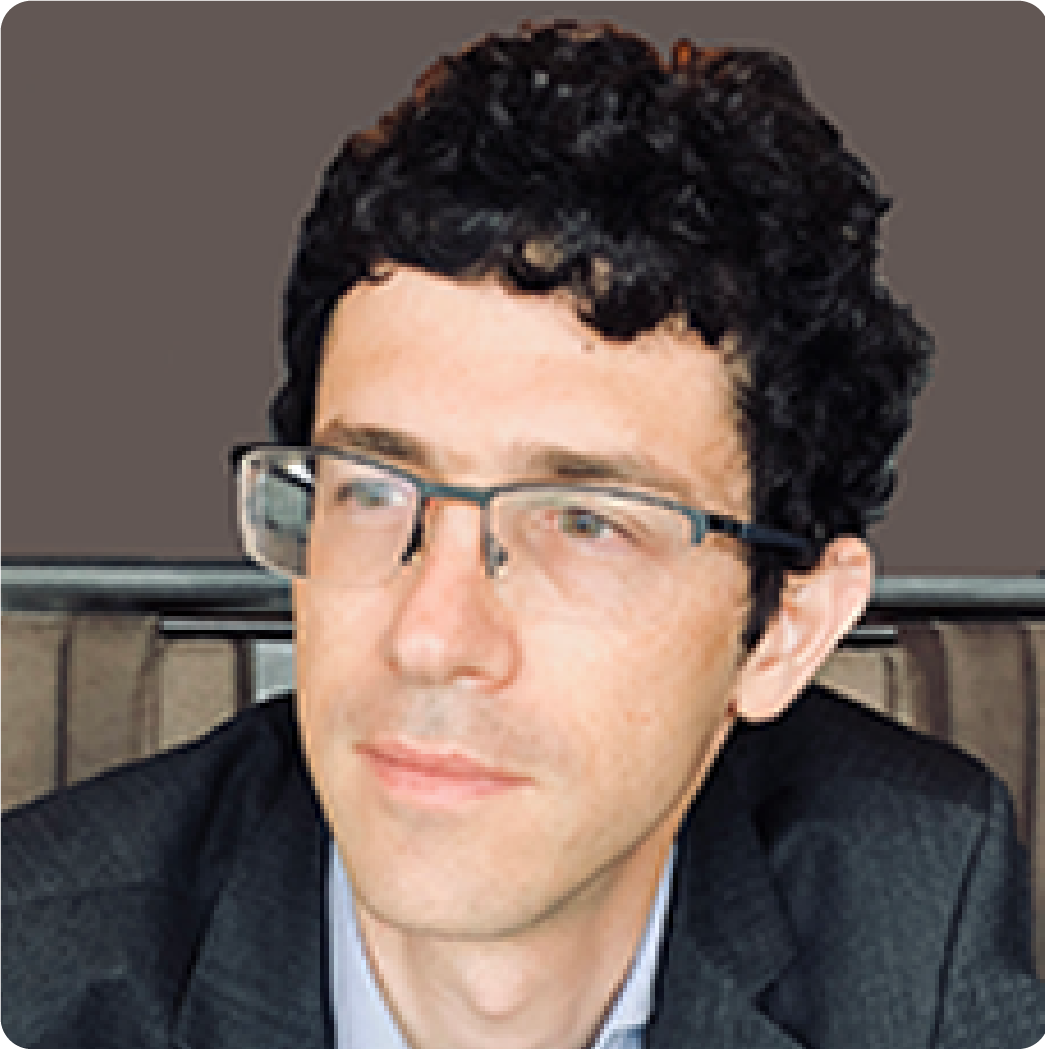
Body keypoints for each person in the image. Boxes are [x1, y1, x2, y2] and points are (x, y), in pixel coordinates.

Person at [2, 20, 1042, 1049]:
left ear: (783, 631)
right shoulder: (35, 973)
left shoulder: (911, 905)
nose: (429, 637)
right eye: (373, 492)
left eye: (584, 522)